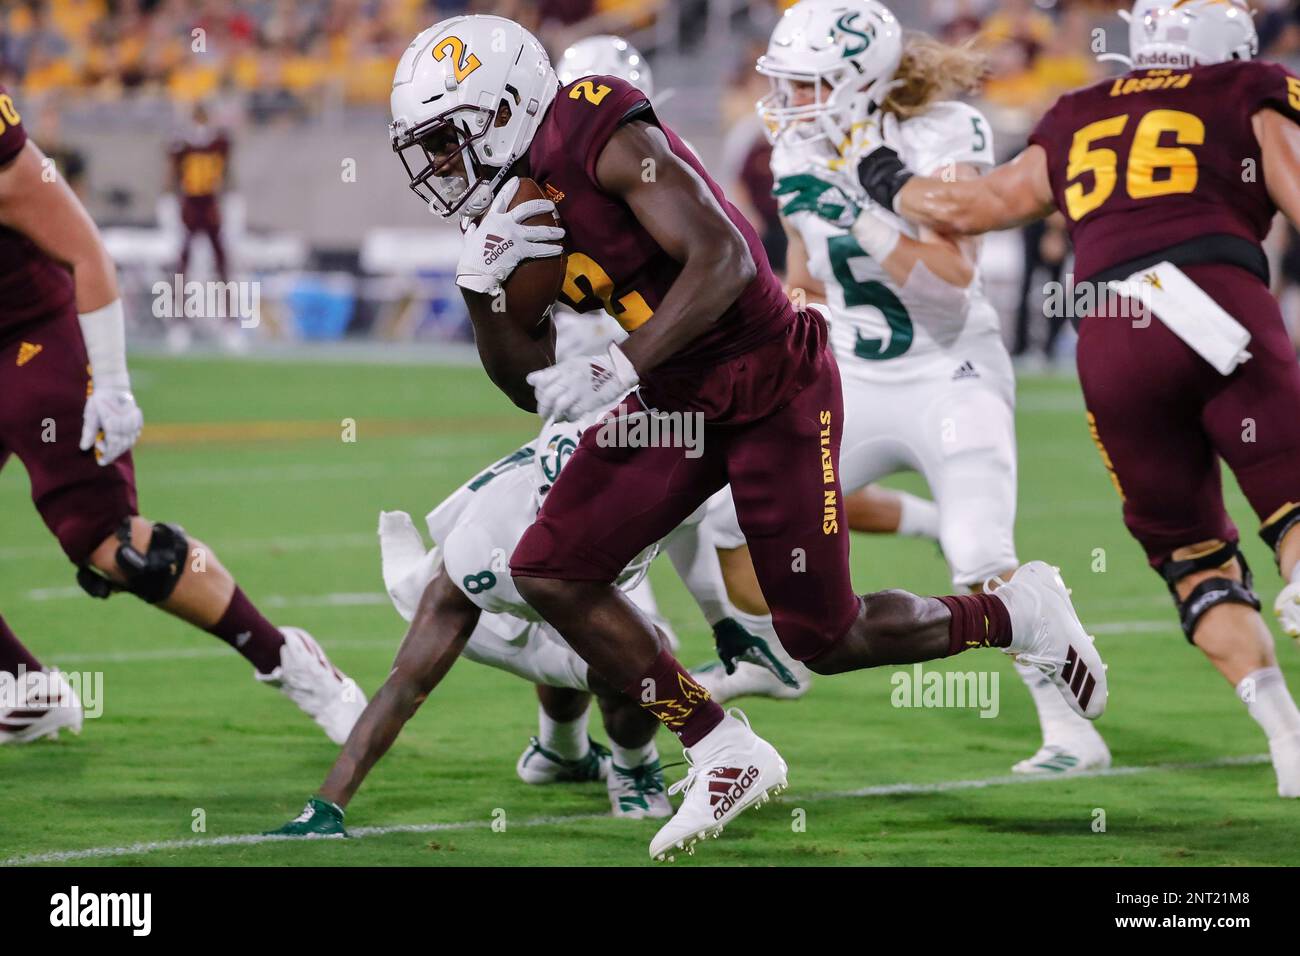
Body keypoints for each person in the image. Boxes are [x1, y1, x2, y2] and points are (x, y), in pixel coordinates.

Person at [387, 13, 1106, 860]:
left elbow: (726, 262)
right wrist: (484, 292)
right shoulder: (506, 202)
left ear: (504, 108)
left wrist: (618, 366)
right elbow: (529, 383)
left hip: (770, 379)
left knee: (822, 637)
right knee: (548, 565)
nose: (438, 165)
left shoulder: (597, 126)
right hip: (676, 393)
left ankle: (1016, 611)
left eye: (448, 139)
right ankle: (721, 747)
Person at [853, 0, 1300, 796]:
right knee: (1292, 507)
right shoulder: (1245, 88)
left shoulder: (1079, 111)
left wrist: (880, 173)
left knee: (1194, 558)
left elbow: (970, 206)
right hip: (1217, 303)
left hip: (1112, 335)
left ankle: (1285, 734)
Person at [755, 0, 1109, 774]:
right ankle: (756, 654)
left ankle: (1069, 730)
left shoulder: (942, 132)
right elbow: (804, 275)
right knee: (736, 516)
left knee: (980, 553)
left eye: (808, 85)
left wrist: (863, 211)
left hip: (950, 370)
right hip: (851, 374)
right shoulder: (794, 152)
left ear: (858, 81)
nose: (791, 103)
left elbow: (952, 279)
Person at [0, 84, 364, 746]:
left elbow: (86, 251)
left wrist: (111, 382)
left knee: (115, 546)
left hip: (31, 334)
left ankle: (286, 658)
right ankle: (26, 688)